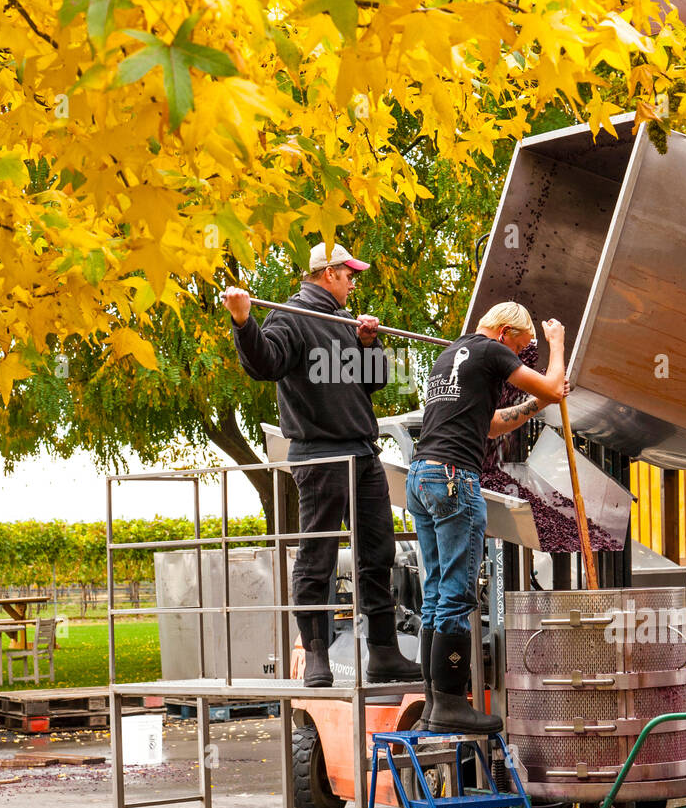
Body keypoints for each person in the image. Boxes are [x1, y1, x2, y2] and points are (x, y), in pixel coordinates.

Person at [222, 242, 421, 688]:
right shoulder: (289, 318)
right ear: (328, 273)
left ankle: (384, 654)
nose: (354, 282)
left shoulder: (346, 321)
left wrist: (370, 343)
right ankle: (317, 658)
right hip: (320, 456)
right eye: (350, 274)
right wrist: (242, 321)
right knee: (318, 559)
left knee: (378, 554)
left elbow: (374, 384)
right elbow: (265, 364)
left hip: (363, 455)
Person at [407, 302, 567, 734]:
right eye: (520, 345)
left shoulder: (449, 357)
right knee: (458, 595)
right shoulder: (492, 350)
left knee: (437, 594)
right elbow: (554, 389)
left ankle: (433, 704)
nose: (518, 355)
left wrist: (531, 405)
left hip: (422, 477)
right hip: (455, 478)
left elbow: (491, 425)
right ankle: (452, 706)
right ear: (502, 332)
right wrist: (556, 342)